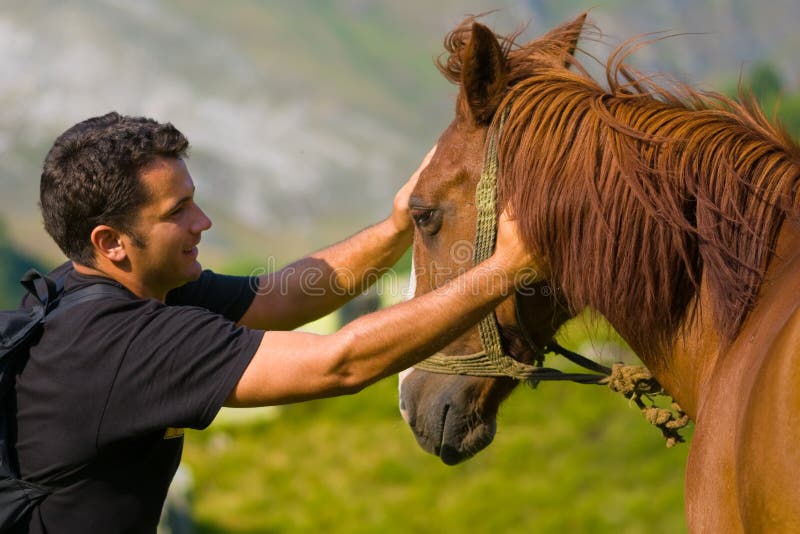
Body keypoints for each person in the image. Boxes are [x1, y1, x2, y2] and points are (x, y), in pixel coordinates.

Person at [12, 112, 532, 533]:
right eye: (178, 211)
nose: (203, 222)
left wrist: (400, 224)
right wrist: (506, 269)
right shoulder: (125, 343)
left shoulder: (111, 287)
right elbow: (340, 363)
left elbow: (277, 298)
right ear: (111, 243)